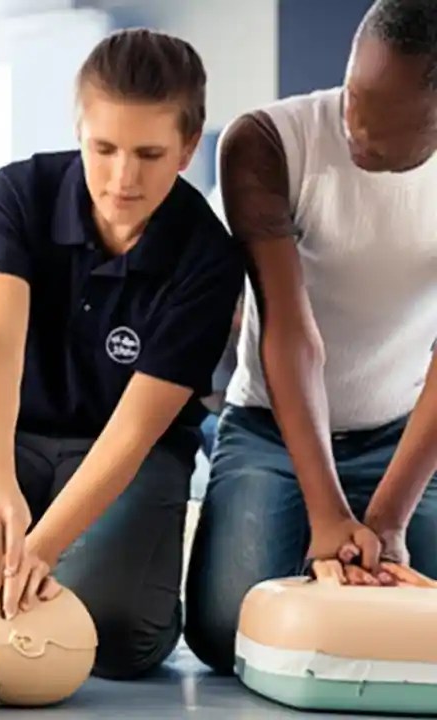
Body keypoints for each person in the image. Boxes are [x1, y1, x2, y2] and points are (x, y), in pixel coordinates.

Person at [0, 29, 245, 680]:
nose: (122, 178)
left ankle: (127, 573)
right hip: (10, 439)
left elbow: (133, 433)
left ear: (188, 147)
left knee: (116, 633)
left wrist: (37, 549)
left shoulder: (208, 256)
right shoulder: (19, 194)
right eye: (103, 148)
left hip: (129, 456)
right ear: (79, 128)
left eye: (149, 154)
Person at [185, 0, 437, 674]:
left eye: (385, 122)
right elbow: (292, 334)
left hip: (401, 433)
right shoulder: (265, 142)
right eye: (354, 95)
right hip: (272, 423)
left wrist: (388, 518)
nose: (354, 127)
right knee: (223, 632)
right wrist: (328, 514)